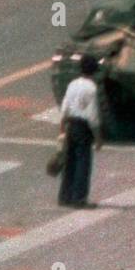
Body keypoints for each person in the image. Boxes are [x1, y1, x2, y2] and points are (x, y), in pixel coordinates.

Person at [57, 56, 103, 208]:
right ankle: (79, 198)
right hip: (83, 128)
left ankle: (65, 196)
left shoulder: (72, 84)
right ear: (94, 71)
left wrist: (62, 129)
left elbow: (64, 108)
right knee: (83, 162)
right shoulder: (91, 88)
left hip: (71, 125)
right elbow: (93, 116)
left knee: (69, 162)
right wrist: (98, 138)